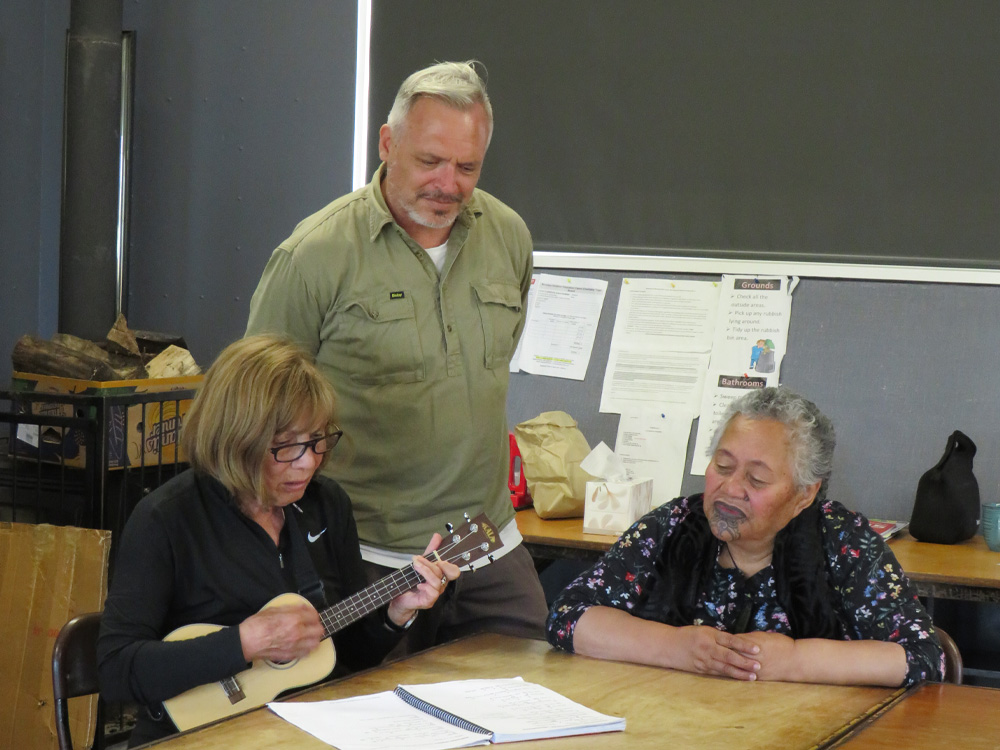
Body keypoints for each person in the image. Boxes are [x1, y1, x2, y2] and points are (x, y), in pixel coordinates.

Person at [246, 60, 547, 653]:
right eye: (430, 161)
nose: (448, 183)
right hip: (365, 556)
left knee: (536, 691)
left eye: (467, 167)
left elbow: (486, 367)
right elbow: (255, 412)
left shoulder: (509, 236)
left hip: (486, 543)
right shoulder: (315, 255)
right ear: (387, 144)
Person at [98, 335, 459, 746]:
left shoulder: (327, 505)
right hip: (193, 736)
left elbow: (349, 655)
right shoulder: (166, 518)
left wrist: (396, 614)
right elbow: (115, 670)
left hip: (304, 726)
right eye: (286, 446)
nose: (308, 462)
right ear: (235, 440)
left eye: (317, 440)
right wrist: (245, 642)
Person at [547, 386, 944, 687]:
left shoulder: (842, 542)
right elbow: (568, 616)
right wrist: (675, 648)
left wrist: (793, 660)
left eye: (756, 479)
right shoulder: (671, 528)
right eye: (723, 466)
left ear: (804, 494)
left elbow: (924, 656)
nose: (731, 488)